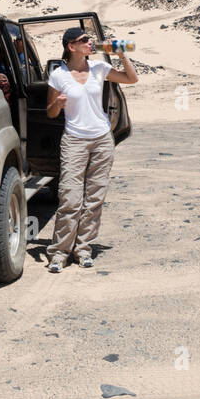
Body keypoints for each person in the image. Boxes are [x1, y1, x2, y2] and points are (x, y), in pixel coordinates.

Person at [45, 26, 137, 272]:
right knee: (70, 197)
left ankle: (83, 249)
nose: (90, 43)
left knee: (95, 197)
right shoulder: (58, 76)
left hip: (101, 139)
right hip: (74, 140)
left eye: (89, 40)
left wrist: (121, 55)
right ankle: (59, 252)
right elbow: (50, 112)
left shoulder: (99, 68)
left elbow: (131, 79)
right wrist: (57, 103)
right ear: (71, 46)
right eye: (84, 40)